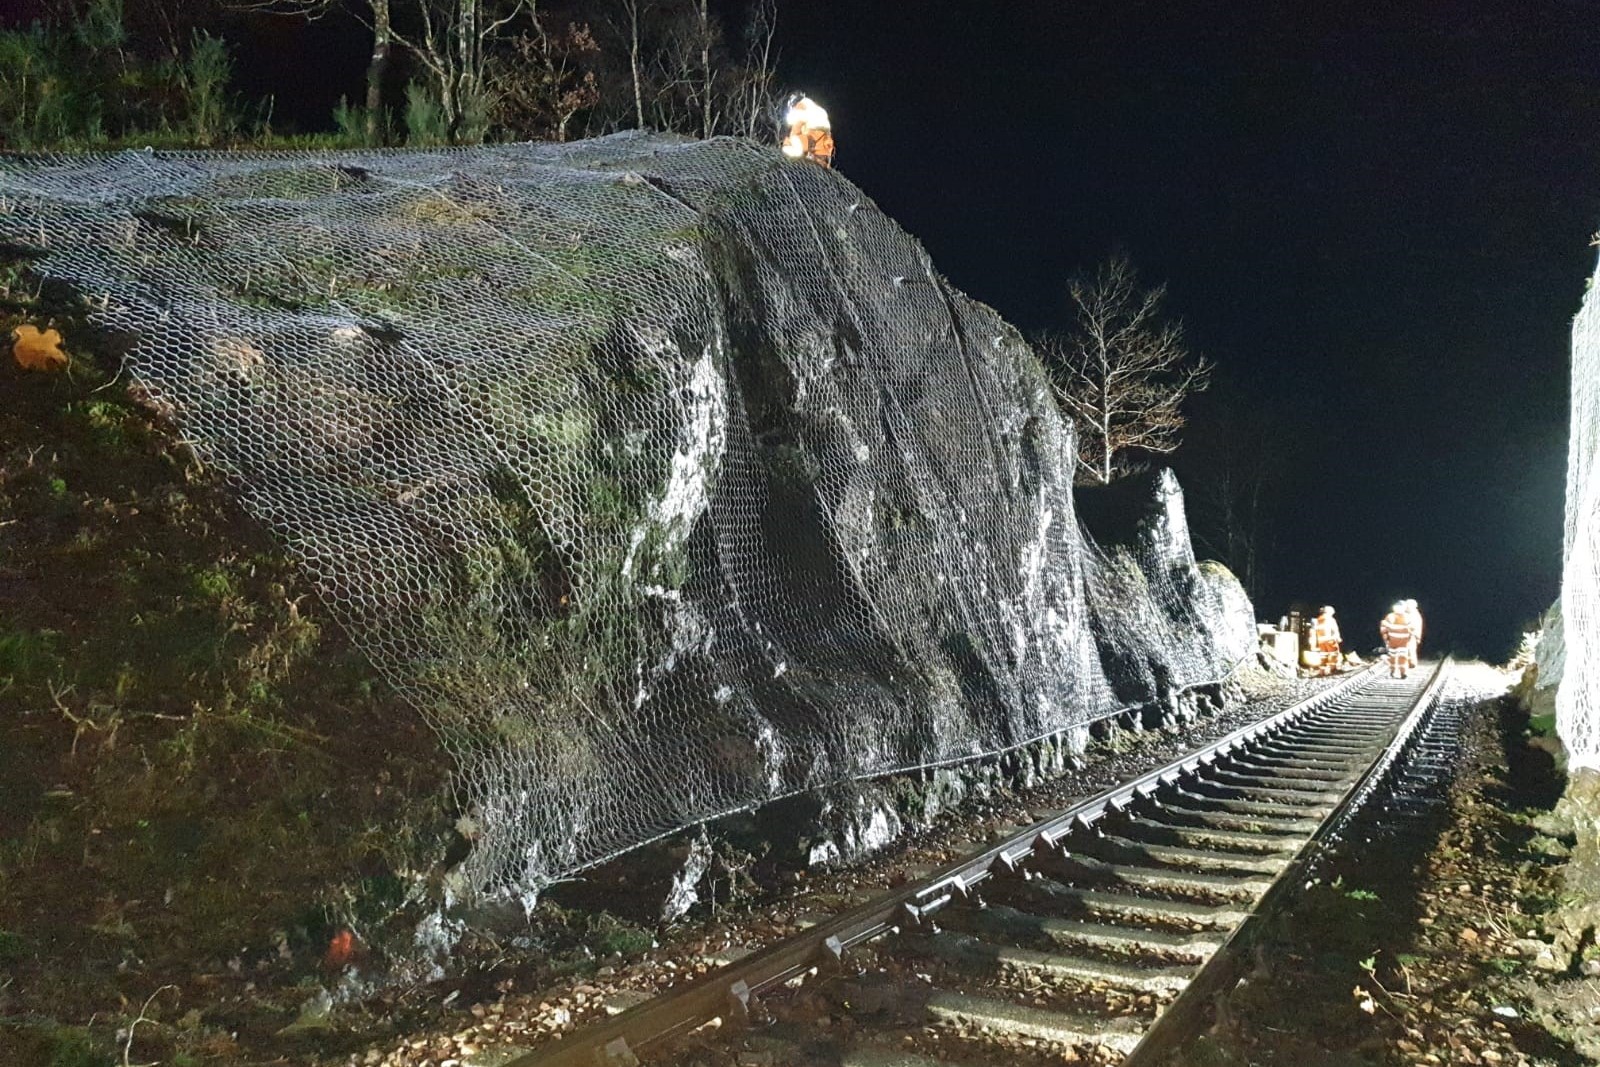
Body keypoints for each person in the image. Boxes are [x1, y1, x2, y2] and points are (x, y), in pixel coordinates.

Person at [781, 94, 835, 167]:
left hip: (814, 136)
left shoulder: (800, 106)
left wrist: (789, 141)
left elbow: (796, 127)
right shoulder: (816, 108)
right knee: (820, 160)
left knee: (788, 147)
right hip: (825, 140)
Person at [1380, 602, 1414, 679]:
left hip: (1403, 642)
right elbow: (1383, 628)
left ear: (1403, 608)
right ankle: (1392, 671)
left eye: (1399, 607)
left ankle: (1403, 673)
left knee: (1403, 657)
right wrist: (1386, 638)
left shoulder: (1407, 617)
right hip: (1392, 642)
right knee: (1393, 657)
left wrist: (1410, 637)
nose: (1397, 609)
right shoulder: (1390, 616)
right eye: (1396, 607)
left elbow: (1412, 628)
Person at [1311, 605, 1342, 676]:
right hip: (1330, 640)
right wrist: (1338, 637)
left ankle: (1322, 671)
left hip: (1321, 641)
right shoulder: (1330, 619)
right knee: (1334, 654)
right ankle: (1333, 669)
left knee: (1323, 656)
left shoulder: (1318, 620)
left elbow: (1313, 631)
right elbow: (1334, 630)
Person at [1402, 598, 1424, 668]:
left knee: (1411, 648)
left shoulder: (1416, 615)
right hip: (1402, 634)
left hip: (1412, 635)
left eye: (1410, 605)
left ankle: (1412, 662)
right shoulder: (1403, 613)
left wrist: (1417, 636)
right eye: (1407, 605)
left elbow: (1418, 626)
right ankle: (1404, 662)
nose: (1408, 607)